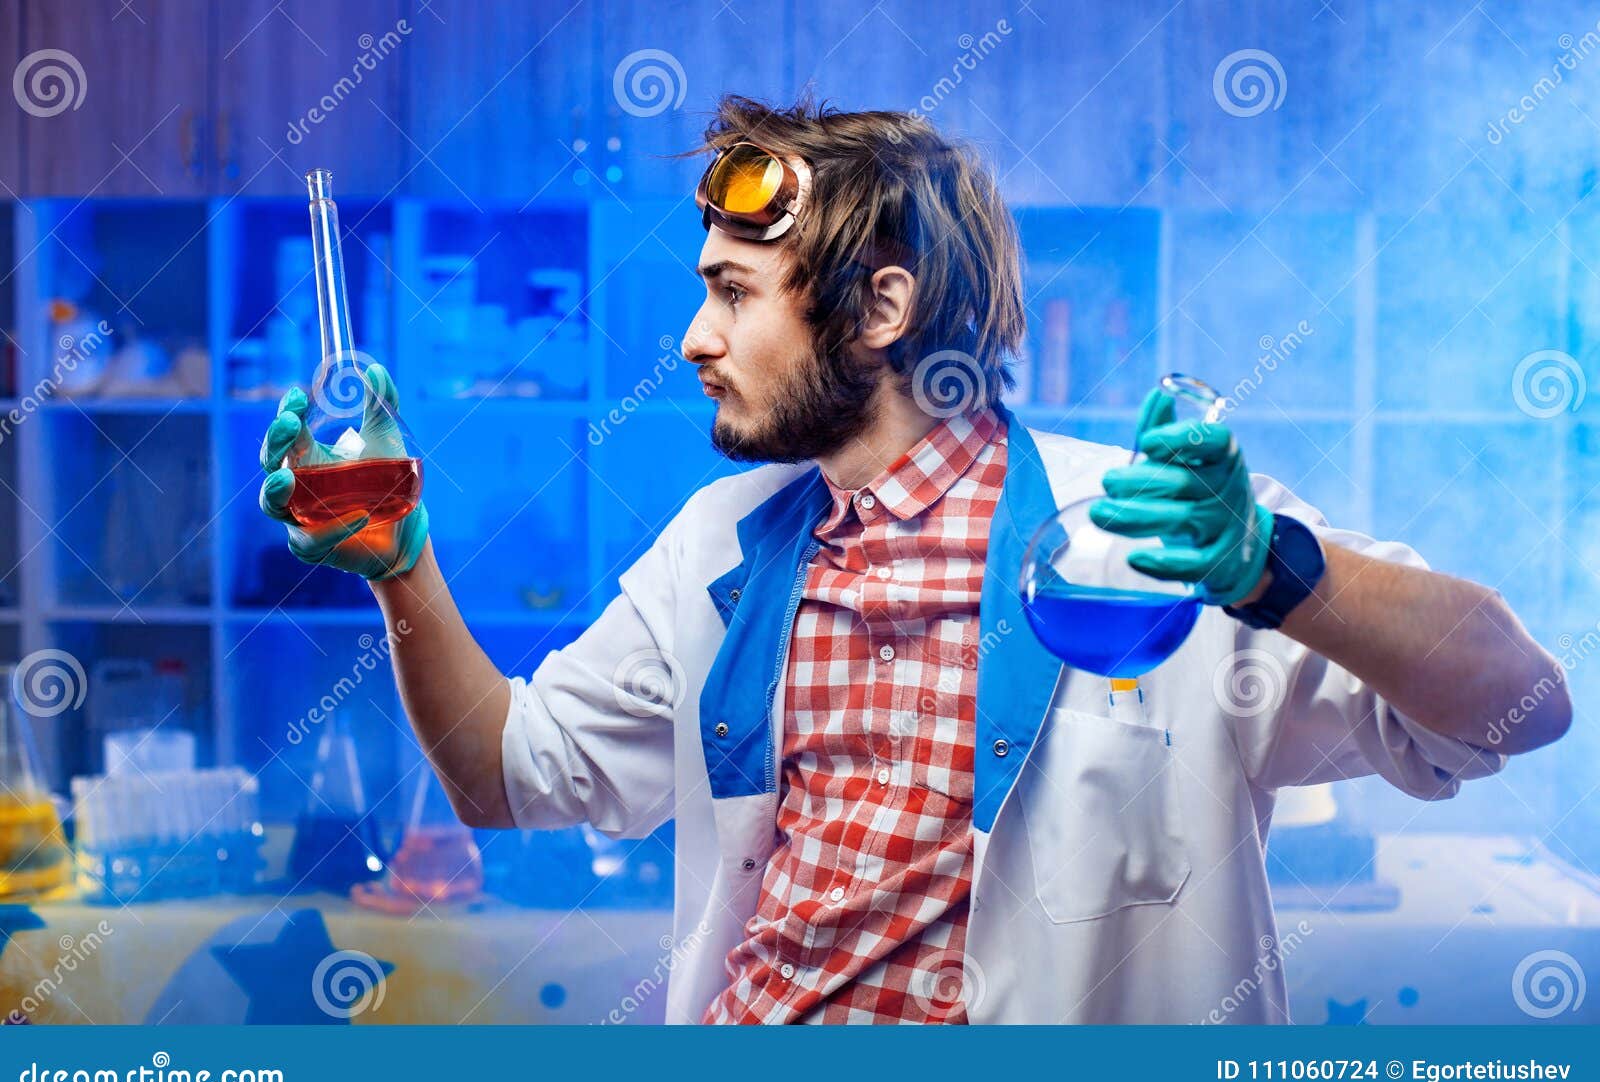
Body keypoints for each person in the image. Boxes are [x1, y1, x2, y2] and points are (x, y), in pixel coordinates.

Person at [257, 95, 1571, 1024]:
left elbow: (1520, 704)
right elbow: (505, 777)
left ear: (881, 308)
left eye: (731, 291)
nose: (692, 340)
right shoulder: (717, 551)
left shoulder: (1159, 536)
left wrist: (1282, 570)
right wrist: (399, 566)